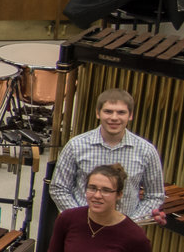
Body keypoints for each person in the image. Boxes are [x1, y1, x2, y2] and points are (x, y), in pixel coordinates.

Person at [50, 88, 165, 222]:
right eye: (108, 111)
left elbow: (155, 196)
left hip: (124, 233)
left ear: (131, 115)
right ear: (98, 113)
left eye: (121, 112)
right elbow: (59, 188)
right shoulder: (76, 145)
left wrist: (129, 223)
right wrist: (81, 219)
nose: (114, 118)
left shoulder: (146, 151)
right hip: (82, 228)